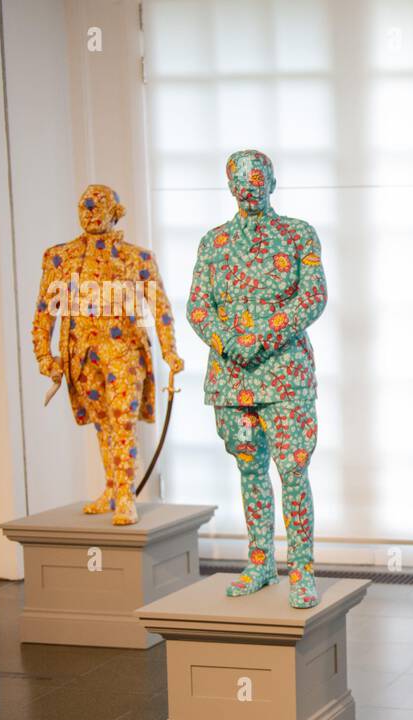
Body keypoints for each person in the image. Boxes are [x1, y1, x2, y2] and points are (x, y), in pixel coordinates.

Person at [186, 150, 326, 609]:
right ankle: (261, 561)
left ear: (272, 180)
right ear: (229, 185)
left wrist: (266, 335)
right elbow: (198, 305)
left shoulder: (297, 234)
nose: (248, 187)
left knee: (292, 469)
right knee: (249, 469)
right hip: (232, 379)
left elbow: (313, 296)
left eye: (256, 177)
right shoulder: (214, 242)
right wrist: (227, 342)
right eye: (239, 180)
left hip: (285, 376)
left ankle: (302, 568)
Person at [33, 184, 184, 525]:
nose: (90, 213)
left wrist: (169, 350)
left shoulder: (137, 257)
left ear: (116, 212)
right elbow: (46, 310)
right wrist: (44, 355)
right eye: (84, 207)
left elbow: (159, 307)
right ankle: (114, 488)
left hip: (125, 351)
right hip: (82, 355)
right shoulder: (60, 256)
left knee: (123, 421)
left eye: (98, 207)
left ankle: (126, 496)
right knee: (103, 425)